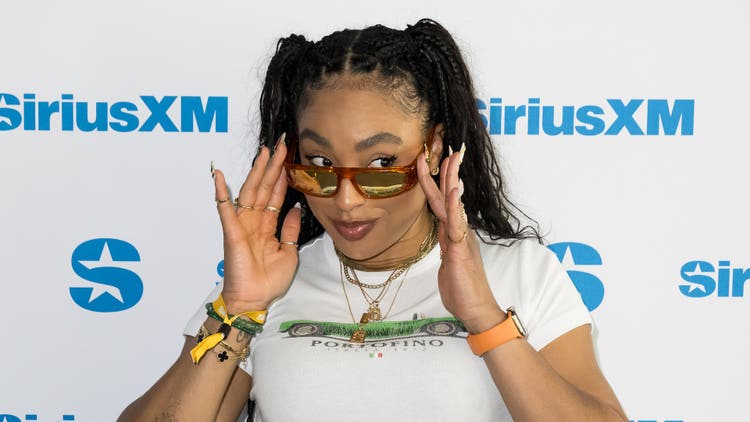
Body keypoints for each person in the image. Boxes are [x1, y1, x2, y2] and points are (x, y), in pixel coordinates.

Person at [119, 19, 627, 422]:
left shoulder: (519, 272)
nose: (346, 200)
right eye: (319, 164)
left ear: (432, 148)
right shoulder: (263, 285)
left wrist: (486, 319)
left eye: (381, 165)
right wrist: (238, 308)